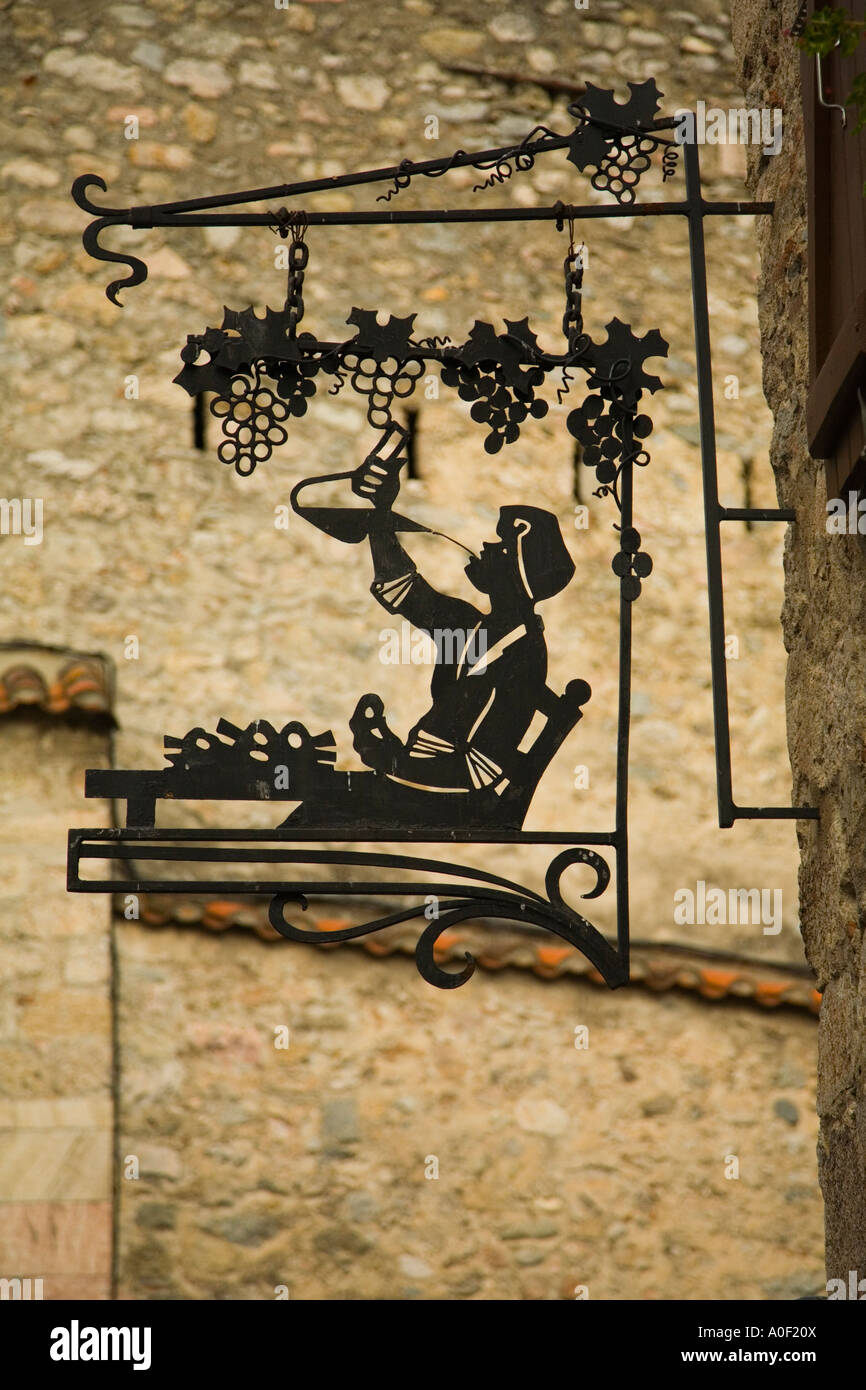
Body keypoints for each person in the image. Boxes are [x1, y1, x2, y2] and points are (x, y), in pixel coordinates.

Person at [348, 451, 576, 795]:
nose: (485, 546)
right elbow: (400, 588)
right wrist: (381, 514)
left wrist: (390, 760)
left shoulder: (523, 655)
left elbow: (482, 767)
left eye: (500, 547)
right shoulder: (466, 624)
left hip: (440, 793)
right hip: (416, 776)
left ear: (520, 573)